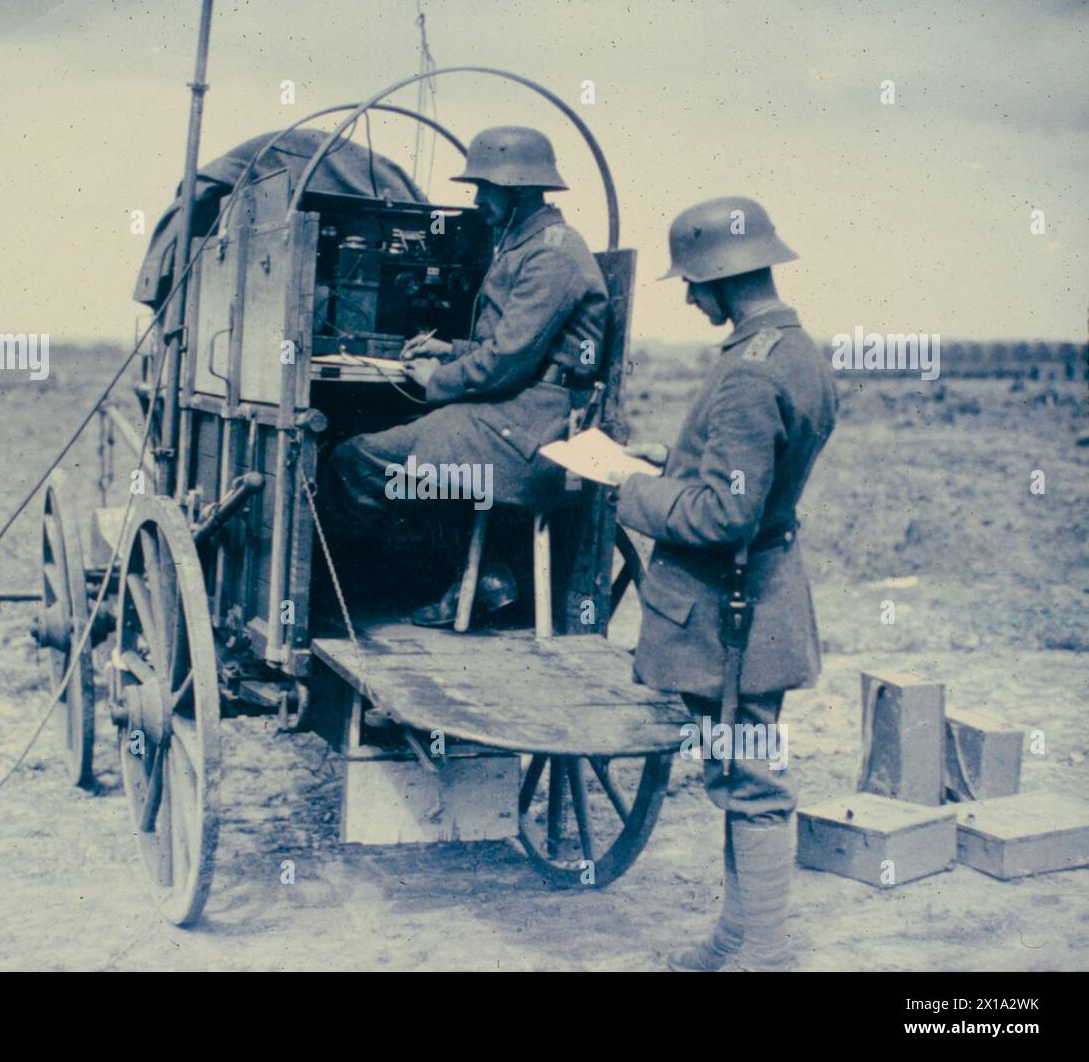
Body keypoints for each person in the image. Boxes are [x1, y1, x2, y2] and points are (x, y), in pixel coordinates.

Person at [609, 196, 837, 971]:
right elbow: (747, 483)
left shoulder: (748, 374)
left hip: (728, 611)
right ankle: (738, 937)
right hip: (761, 591)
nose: (688, 295)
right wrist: (668, 465)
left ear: (721, 277)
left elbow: (722, 515)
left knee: (749, 777)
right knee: (739, 767)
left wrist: (630, 492)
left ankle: (765, 952)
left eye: (692, 282)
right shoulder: (794, 349)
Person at [325, 126, 609, 627]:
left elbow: (508, 360)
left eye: (485, 189)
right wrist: (449, 349)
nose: (478, 201)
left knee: (356, 458)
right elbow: (511, 346)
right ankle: (477, 573)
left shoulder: (551, 253)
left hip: (530, 428)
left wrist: (437, 379)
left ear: (517, 191)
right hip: (517, 412)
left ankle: (470, 574)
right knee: (404, 456)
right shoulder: (529, 244)